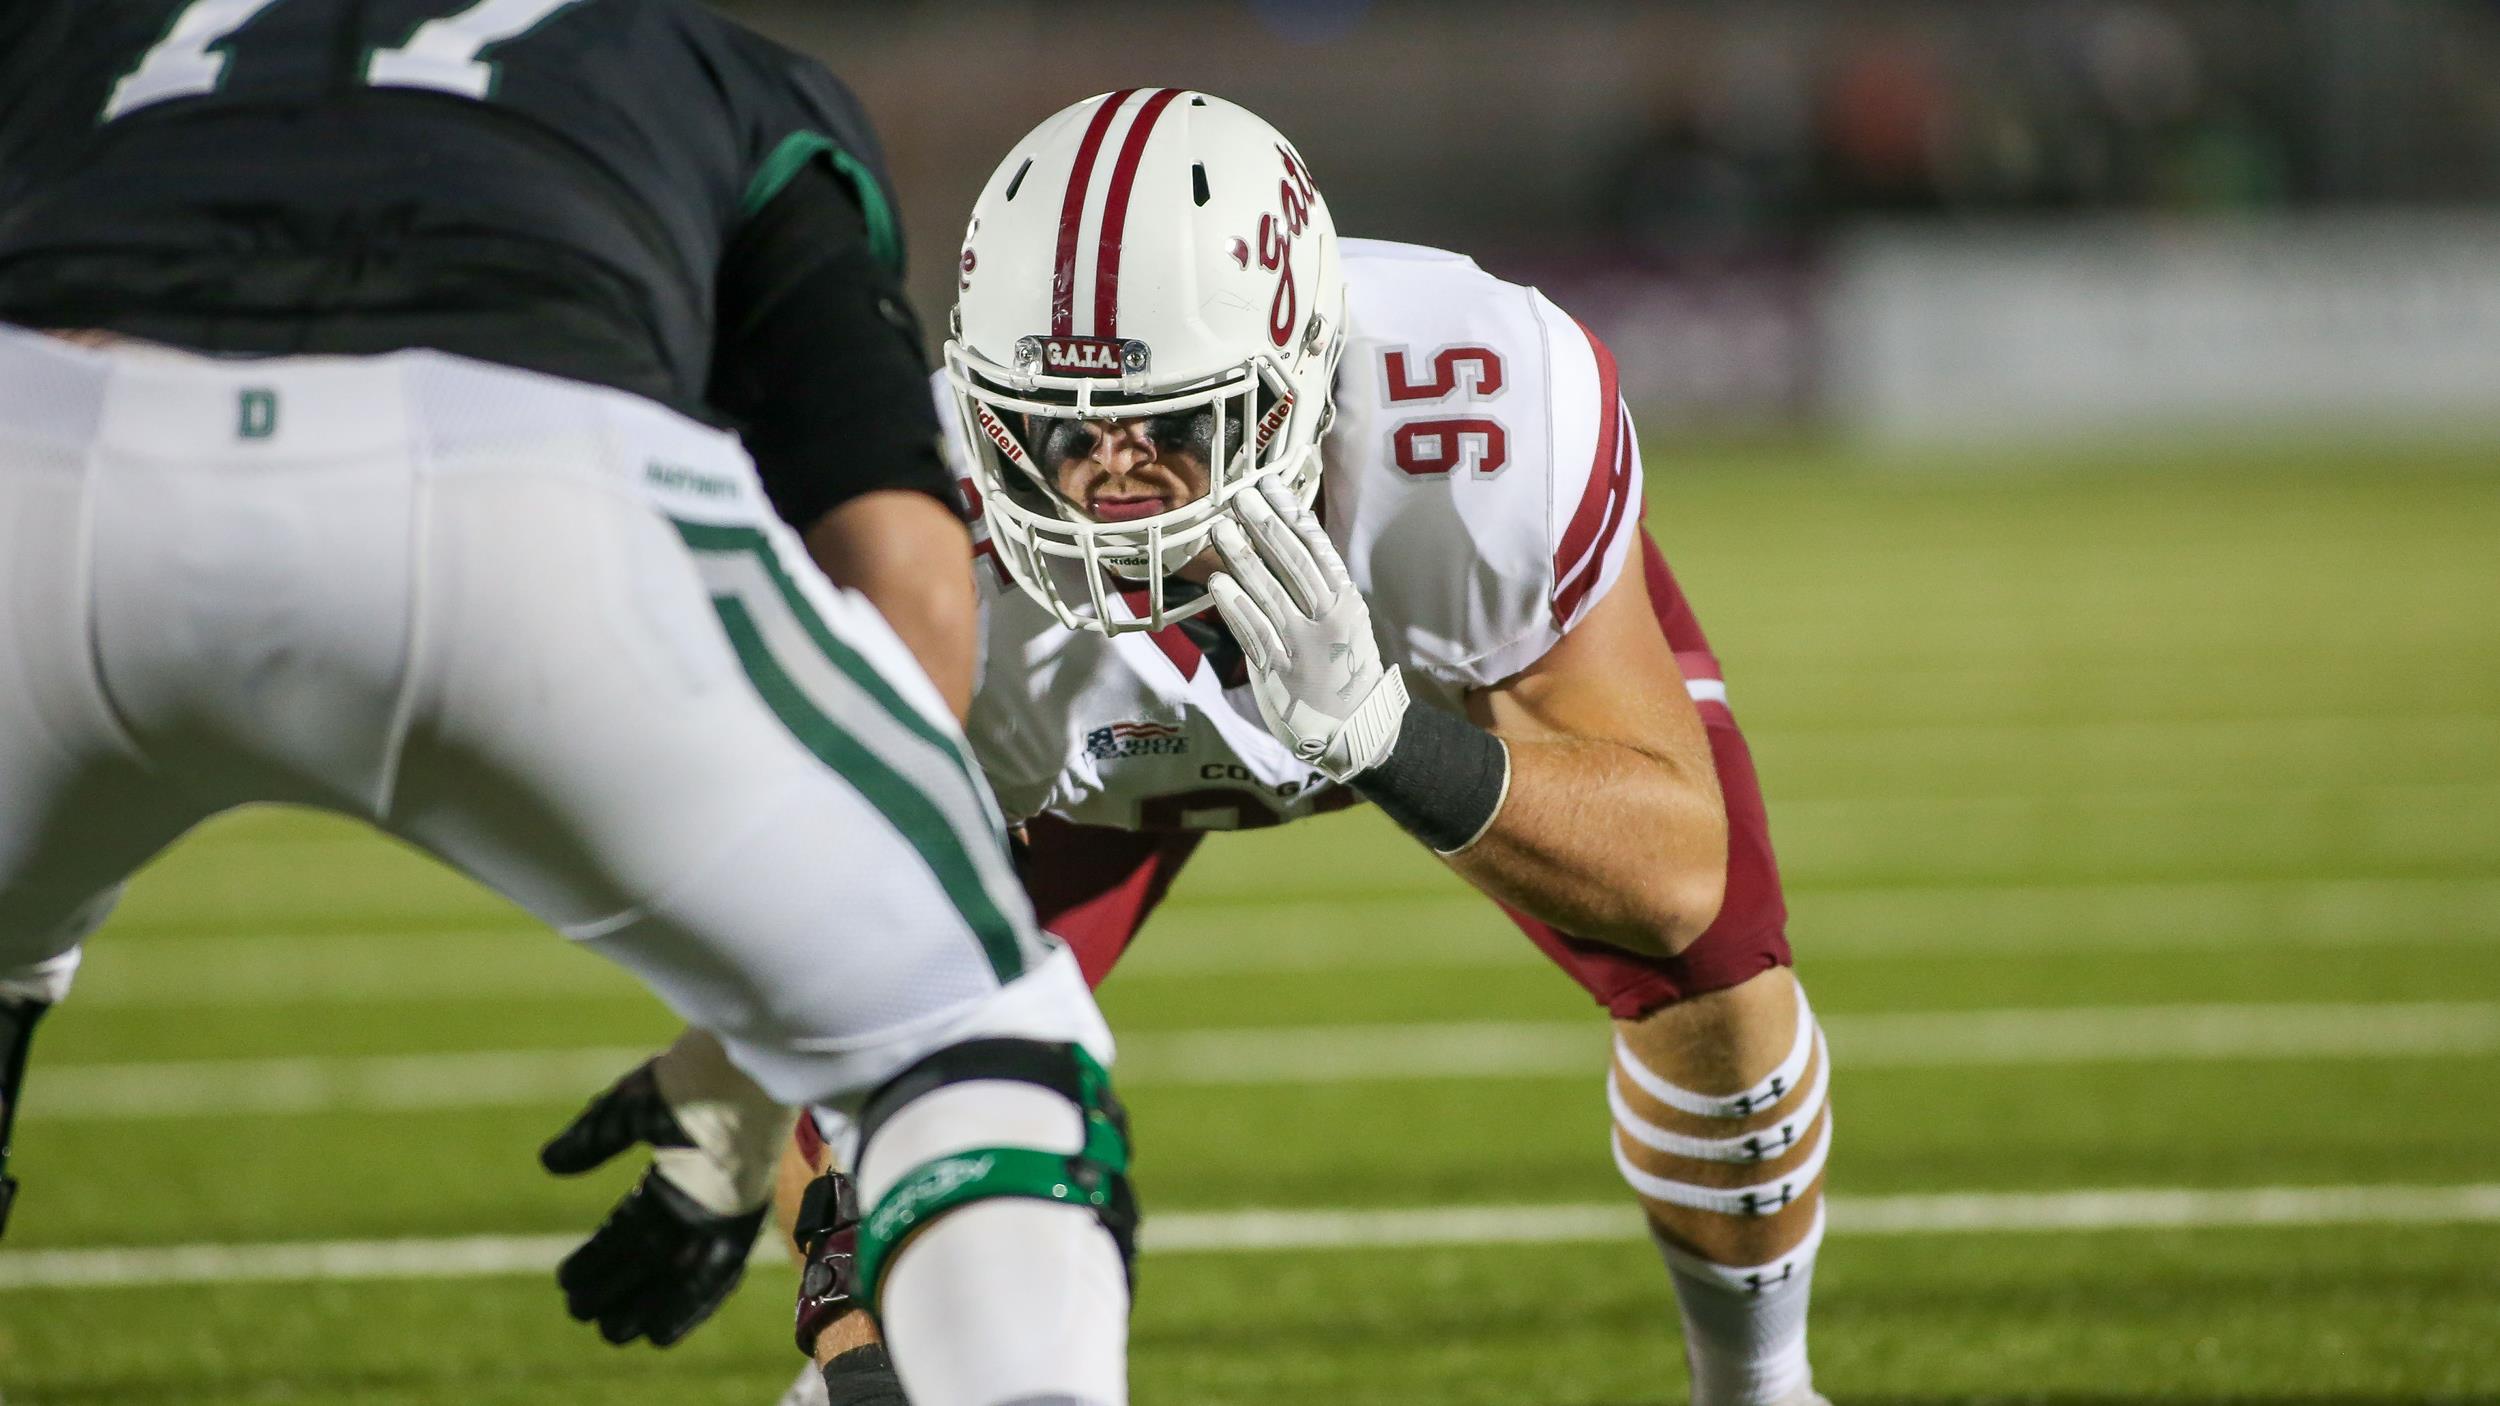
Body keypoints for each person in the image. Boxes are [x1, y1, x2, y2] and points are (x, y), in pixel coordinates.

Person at [0, 5, 1136, 1402]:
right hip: (522, 471)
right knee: (978, 1039)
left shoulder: (71, 34)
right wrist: (797, 998)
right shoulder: (711, 74)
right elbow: (909, 571)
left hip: (42, 459)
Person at [768, 89, 1833, 1406]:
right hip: (1080, 778)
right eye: (1053, 426)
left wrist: (1391, 739)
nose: (1108, 478)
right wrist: (855, 1351)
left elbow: (1674, 874)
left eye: (1167, 422)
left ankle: (1761, 1384)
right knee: (887, 1129)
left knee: (1725, 997)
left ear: (1298, 376)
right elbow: (813, 1048)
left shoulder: (1478, 406)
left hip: (1419, 683)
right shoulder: (909, 532)